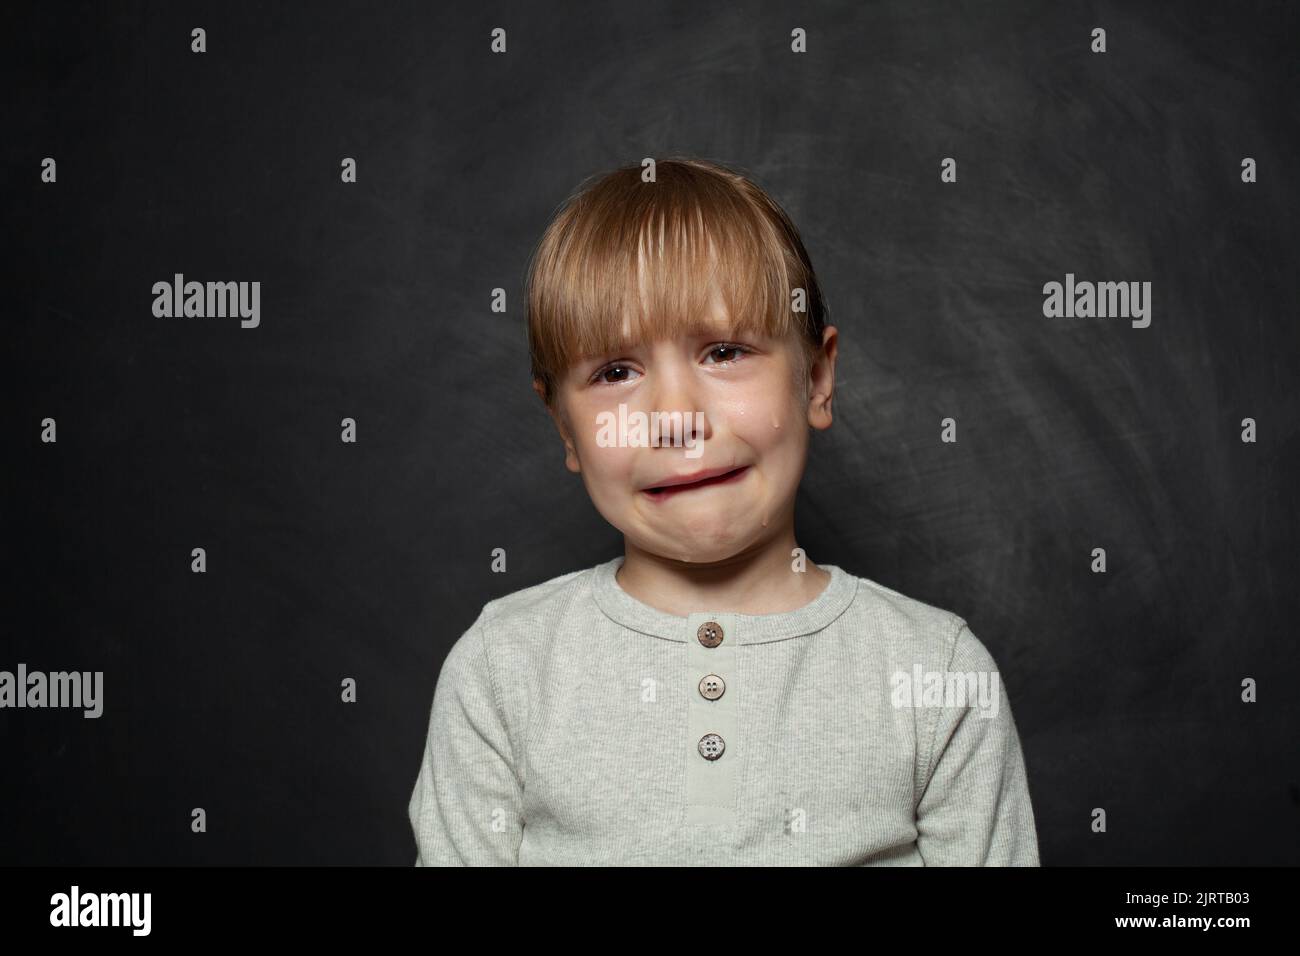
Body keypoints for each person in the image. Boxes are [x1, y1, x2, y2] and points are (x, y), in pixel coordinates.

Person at [408, 156, 1039, 865]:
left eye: (726, 350)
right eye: (615, 372)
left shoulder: (938, 675)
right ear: (564, 428)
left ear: (818, 379)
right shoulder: (502, 671)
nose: (676, 418)